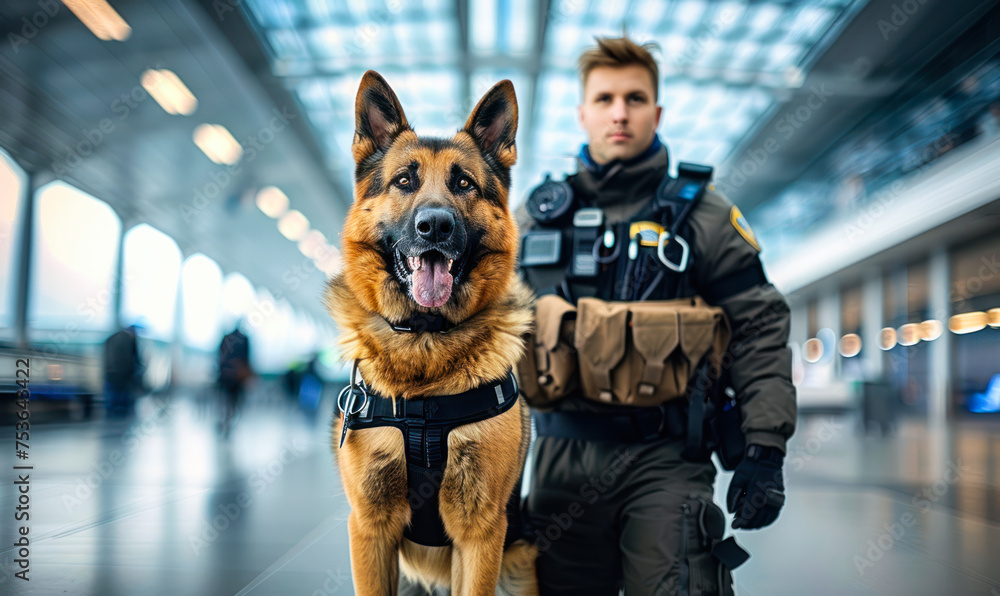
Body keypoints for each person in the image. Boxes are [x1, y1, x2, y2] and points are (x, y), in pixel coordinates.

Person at [515, 37, 797, 595]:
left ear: (657, 111)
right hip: (559, 463)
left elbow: (759, 327)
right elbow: (483, 340)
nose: (619, 112)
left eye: (635, 97)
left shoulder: (705, 215)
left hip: (667, 460)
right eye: (605, 99)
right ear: (583, 112)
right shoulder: (535, 220)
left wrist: (765, 448)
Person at [217, 321, 253, 436]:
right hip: (238, 375)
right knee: (235, 400)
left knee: (226, 399)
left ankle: (227, 419)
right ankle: (230, 419)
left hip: (226, 375)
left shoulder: (227, 337)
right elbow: (247, 357)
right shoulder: (244, 339)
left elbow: (220, 355)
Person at [103, 323, 144, 418]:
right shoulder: (129, 339)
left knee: (112, 397)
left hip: (109, 372)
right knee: (123, 398)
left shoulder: (111, 338)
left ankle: (111, 415)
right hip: (123, 374)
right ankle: (121, 416)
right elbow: (133, 358)